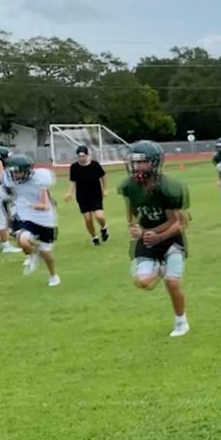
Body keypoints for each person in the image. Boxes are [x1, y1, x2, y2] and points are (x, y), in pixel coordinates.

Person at [119, 141, 192, 338]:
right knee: (143, 282)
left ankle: (181, 322)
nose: (136, 167)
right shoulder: (130, 187)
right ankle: (159, 268)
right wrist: (134, 228)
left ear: (154, 163)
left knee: (173, 283)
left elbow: (181, 223)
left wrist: (160, 235)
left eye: (141, 162)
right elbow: (132, 215)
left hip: (170, 240)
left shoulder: (167, 188)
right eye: (134, 162)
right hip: (148, 240)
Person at [0, 154, 60, 287]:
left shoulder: (40, 180)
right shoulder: (10, 180)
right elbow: (8, 195)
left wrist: (33, 205)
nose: (15, 175)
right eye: (13, 172)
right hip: (27, 217)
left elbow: (45, 204)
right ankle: (32, 256)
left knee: (46, 252)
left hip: (46, 219)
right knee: (23, 240)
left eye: (18, 171)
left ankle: (53, 275)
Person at [65, 145, 110, 246]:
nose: (81, 158)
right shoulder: (74, 167)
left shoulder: (95, 165)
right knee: (88, 218)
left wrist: (105, 189)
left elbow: (103, 176)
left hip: (95, 193)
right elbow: (73, 181)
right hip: (82, 196)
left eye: (83, 156)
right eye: (79, 156)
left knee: (99, 216)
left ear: (87, 155)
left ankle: (104, 228)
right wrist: (69, 193)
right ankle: (94, 237)